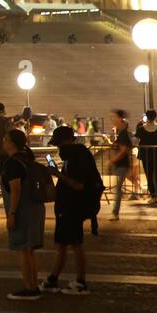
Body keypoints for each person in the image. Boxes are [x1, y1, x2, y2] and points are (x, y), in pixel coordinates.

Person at [43, 126, 101, 295]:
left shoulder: (77, 157)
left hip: (72, 206)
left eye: (59, 144)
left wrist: (57, 174)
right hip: (67, 206)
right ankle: (53, 278)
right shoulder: (75, 155)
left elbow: (78, 185)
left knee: (75, 243)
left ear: (67, 141)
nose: (59, 148)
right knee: (63, 243)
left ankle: (80, 282)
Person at [0, 128, 45, 300]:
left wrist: (12, 214)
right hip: (34, 208)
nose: (3, 141)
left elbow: (16, 189)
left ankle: (30, 288)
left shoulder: (13, 163)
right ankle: (33, 285)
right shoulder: (26, 159)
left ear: (11, 143)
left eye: (5, 139)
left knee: (22, 249)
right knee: (29, 250)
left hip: (22, 210)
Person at [136, 110, 157, 206]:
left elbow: (137, 138)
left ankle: (153, 196)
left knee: (149, 176)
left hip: (146, 155)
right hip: (156, 154)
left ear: (147, 117)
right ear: (155, 116)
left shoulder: (141, 129)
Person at [109, 110, 133, 219]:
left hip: (122, 164)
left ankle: (115, 213)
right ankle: (115, 212)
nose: (111, 119)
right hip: (121, 164)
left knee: (118, 189)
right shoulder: (121, 132)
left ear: (119, 118)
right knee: (118, 188)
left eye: (113, 117)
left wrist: (113, 160)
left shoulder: (123, 133)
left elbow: (124, 150)